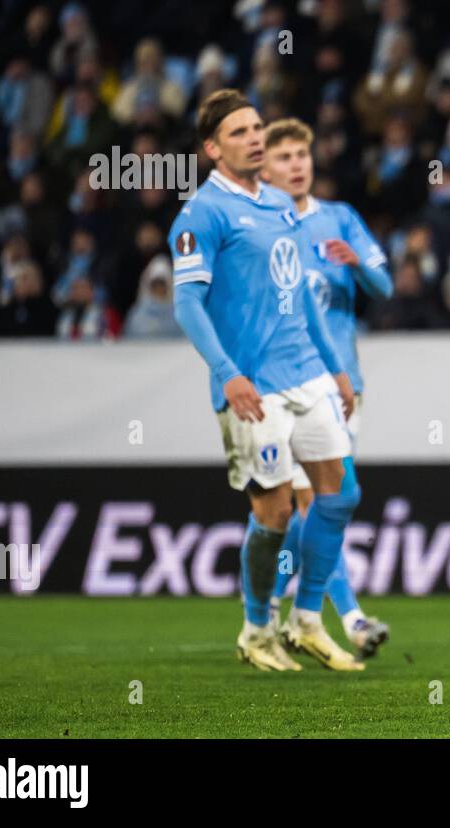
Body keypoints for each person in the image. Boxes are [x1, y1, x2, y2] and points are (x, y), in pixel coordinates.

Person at [168, 89, 360, 672]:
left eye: (257, 128)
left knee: (340, 493)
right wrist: (227, 375)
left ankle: (305, 619)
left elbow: (299, 293)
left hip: (304, 371)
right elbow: (186, 304)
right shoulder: (202, 213)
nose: (255, 138)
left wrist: (336, 367)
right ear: (211, 148)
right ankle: (256, 627)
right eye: (239, 133)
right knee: (274, 512)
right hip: (252, 387)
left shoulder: (280, 203)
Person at [261, 117, 394, 659]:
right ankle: (348, 618)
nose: (297, 165)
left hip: (344, 385)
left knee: (320, 503)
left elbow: (384, 287)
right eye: (284, 157)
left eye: (302, 155)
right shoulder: (260, 227)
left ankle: (271, 609)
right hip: (287, 386)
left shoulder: (340, 219)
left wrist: (358, 263)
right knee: (316, 499)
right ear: (264, 167)